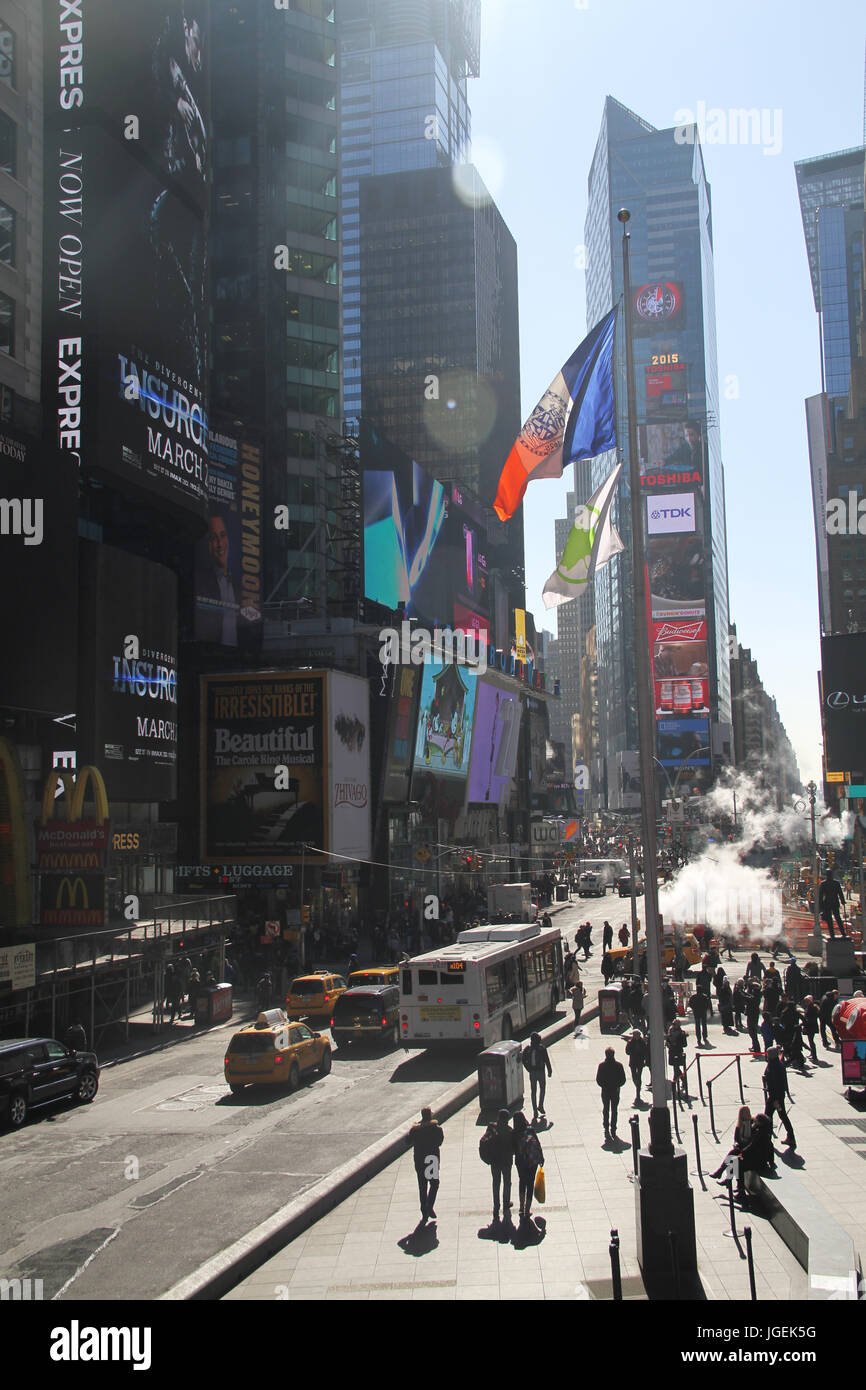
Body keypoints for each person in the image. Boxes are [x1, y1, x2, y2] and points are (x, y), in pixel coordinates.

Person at [407, 1107, 444, 1225]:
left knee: (422, 1186)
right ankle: (429, 1205)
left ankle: (424, 1210)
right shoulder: (436, 1129)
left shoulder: (415, 1129)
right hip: (431, 1159)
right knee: (434, 1184)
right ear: (430, 1116)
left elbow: (407, 1141)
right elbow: (439, 1142)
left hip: (419, 1160)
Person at [512, 1112, 545, 1226]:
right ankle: (527, 1209)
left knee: (522, 1182)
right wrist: (541, 1158)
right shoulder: (530, 1129)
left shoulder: (515, 1133)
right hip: (532, 1162)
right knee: (530, 1184)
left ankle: (521, 1207)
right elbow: (538, 1144)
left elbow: (512, 1149)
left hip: (520, 1162)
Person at [485, 1108, 516, 1225]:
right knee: (507, 1182)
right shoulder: (509, 1131)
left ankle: (496, 1205)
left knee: (496, 1182)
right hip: (506, 1161)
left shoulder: (491, 1128)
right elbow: (513, 1147)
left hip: (494, 1161)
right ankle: (506, 1202)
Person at [763, 1047, 796, 1149]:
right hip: (777, 1095)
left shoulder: (774, 1066)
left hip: (775, 1097)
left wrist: (775, 1099)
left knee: (769, 1116)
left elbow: (776, 1083)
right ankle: (790, 1136)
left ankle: (767, 1138)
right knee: (781, 1115)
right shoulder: (777, 1063)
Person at [710, 1104, 754, 1180]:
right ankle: (726, 1178)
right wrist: (736, 1144)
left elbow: (752, 1139)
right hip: (740, 1150)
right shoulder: (739, 1126)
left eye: (748, 1112)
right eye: (745, 1113)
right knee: (734, 1157)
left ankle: (722, 1174)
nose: (747, 1114)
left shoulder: (752, 1123)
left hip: (748, 1150)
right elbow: (736, 1139)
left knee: (733, 1156)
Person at [596, 1046, 626, 1139]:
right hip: (615, 1090)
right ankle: (613, 1127)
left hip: (605, 1090)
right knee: (614, 1110)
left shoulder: (601, 1065)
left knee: (606, 1108)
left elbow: (598, 1079)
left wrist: (604, 1085)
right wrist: (617, 1085)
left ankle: (606, 1125)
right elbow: (623, 1079)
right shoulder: (619, 1065)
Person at [522, 1032, 553, 1121]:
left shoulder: (535, 1049)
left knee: (538, 1090)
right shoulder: (535, 1049)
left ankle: (537, 1107)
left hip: (536, 1072)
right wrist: (549, 1070)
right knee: (538, 1090)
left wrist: (528, 1068)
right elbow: (546, 1060)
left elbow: (546, 1059)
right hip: (537, 1072)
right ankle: (538, 1107)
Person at [819, 868, 848, 939]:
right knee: (838, 918)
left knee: (830, 920)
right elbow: (840, 893)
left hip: (827, 903)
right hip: (835, 902)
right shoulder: (836, 883)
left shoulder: (823, 884)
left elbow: (820, 895)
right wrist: (843, 901)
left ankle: (832, 935)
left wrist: (821, 905)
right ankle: (843, 933)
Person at [666, 1019, 688, 1097]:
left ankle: (675, 1082)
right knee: (676, 1068)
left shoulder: (682, 1033)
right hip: (672, 1051)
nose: (674, 1025)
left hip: (678, 1051)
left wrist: (677, 1044)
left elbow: (684, 1044)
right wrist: (668, 1044)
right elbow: (667, 1040)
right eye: (674, 1024)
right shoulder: (670, 1031)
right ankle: (683, 1080)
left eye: (676, 1024)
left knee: (676, 1068)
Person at [625, 1029, 647, 1103]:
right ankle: (637, 1085)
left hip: (640, 1062)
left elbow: (645, 1051)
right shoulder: (630, 1042)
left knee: (639, 1076)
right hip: (633, 1062)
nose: (636, 1036)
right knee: (634, 1076)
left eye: (637, 1035)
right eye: (635, 1035)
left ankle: (638, 1092)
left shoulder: (642, 1042)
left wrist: (644, 1058)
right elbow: (627, 1052)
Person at [801, 995, 820, 1062]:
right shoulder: (809, 1007)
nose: (806, 1002)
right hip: (809, 1026)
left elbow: (811, 1018)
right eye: (805, 1001)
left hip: (811, 1026)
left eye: (807, 1001)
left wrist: (804, 1023)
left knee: (811, 1041)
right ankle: (812, 1053)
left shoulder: (812, 1008)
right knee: (810, 1040)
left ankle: (814, 1056)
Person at [744, 982, 762, 1053]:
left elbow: (746, 998)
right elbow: (748, 996)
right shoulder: (756, 997)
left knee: (752, 1033)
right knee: (753, 1033)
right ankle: (754, 1046)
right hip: (753, 1016)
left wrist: (741, 993)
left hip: (752, 1017)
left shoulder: (754, 999)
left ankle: (757, 1048)